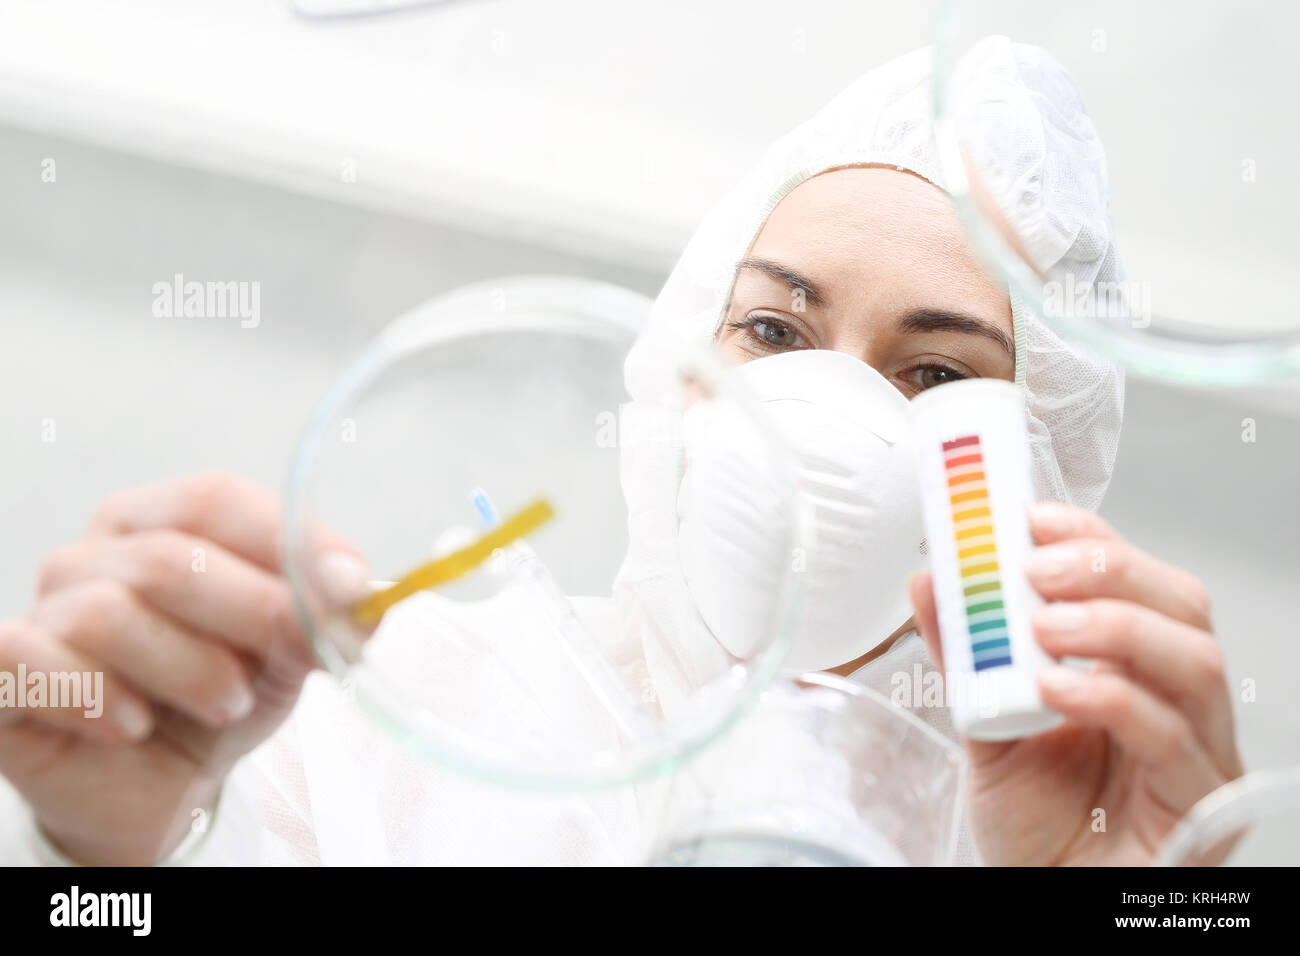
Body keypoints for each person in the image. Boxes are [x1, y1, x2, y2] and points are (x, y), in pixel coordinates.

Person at [0, 37, 1242, 865]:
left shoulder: (1077, 820)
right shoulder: (405, 701)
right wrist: (103, 853)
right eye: (771, 327)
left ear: (1037, 462)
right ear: (678, 371)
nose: (820, 409)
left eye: (933, 374)